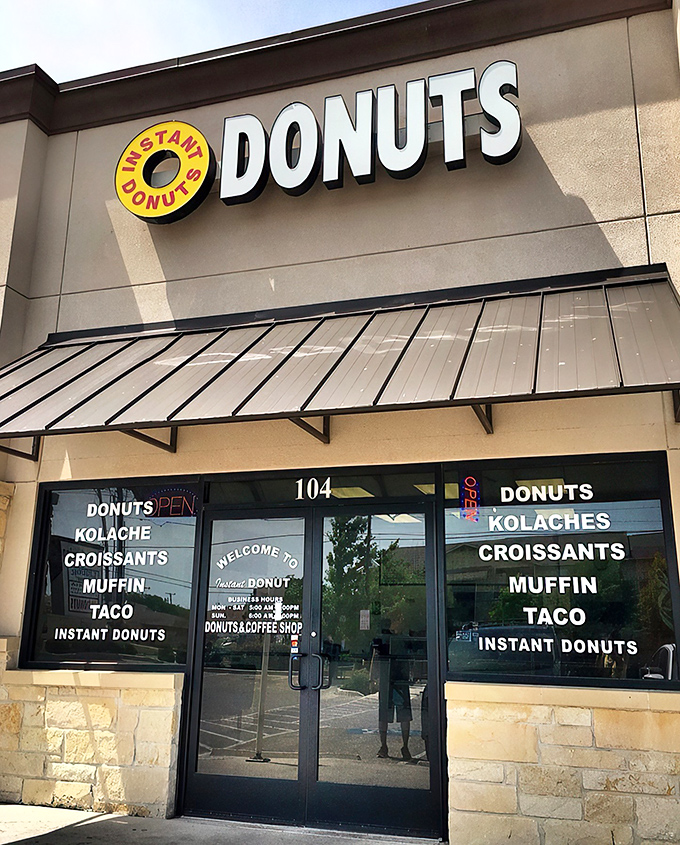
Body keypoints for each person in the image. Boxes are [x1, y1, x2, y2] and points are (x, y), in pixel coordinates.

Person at [372, 622, 413, 760]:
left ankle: (401, 746)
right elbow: (376, 657)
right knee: (388, 713)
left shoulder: (399, 639)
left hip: (397, 679)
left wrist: (373, 677)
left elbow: (376, 657)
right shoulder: (387, 639)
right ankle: (387, 746)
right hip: (392, 679)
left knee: (400, 714)